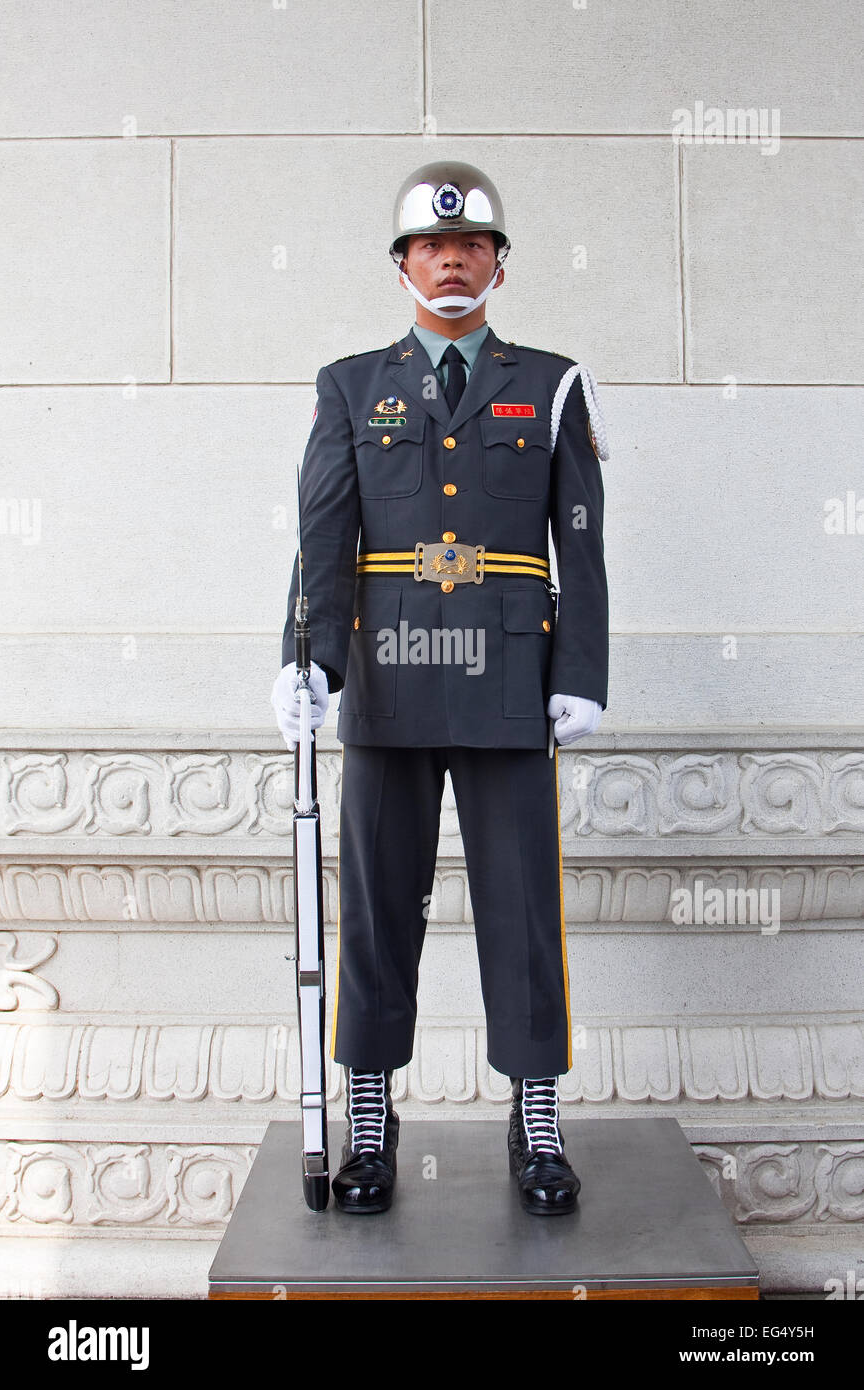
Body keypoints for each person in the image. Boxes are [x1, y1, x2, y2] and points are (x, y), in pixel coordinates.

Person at [272, 160, 609, 1216]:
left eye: (469, 248)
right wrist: (305, 659)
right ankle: (369, 1112)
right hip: (389, 678)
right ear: (402, 266)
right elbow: (323, 537)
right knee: (375, 906)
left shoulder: (547, 381)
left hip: (511, 676)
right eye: (429, 247)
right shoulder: (349, 386)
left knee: (522, 908)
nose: (450, 261)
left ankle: (536, 1112)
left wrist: (582, 671)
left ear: (498, 268)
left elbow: (582, 543)